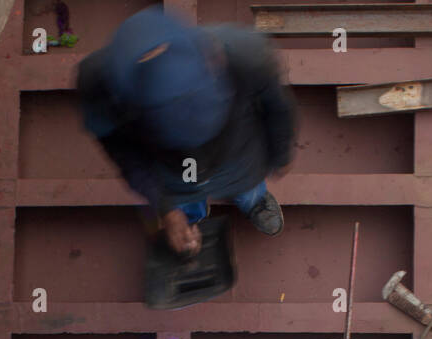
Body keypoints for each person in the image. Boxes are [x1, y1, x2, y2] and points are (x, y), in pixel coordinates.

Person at [76, 6, 296, 256]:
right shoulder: (98, 88)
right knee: (184, 201)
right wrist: (166, 207)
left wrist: (281, 153)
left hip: (239, 159)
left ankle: (254, 202)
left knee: (249, 188)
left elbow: (278, 108)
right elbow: (125, 156)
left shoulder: (247, 54)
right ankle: (189, 215)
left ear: (215, 59)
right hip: (171, 173)